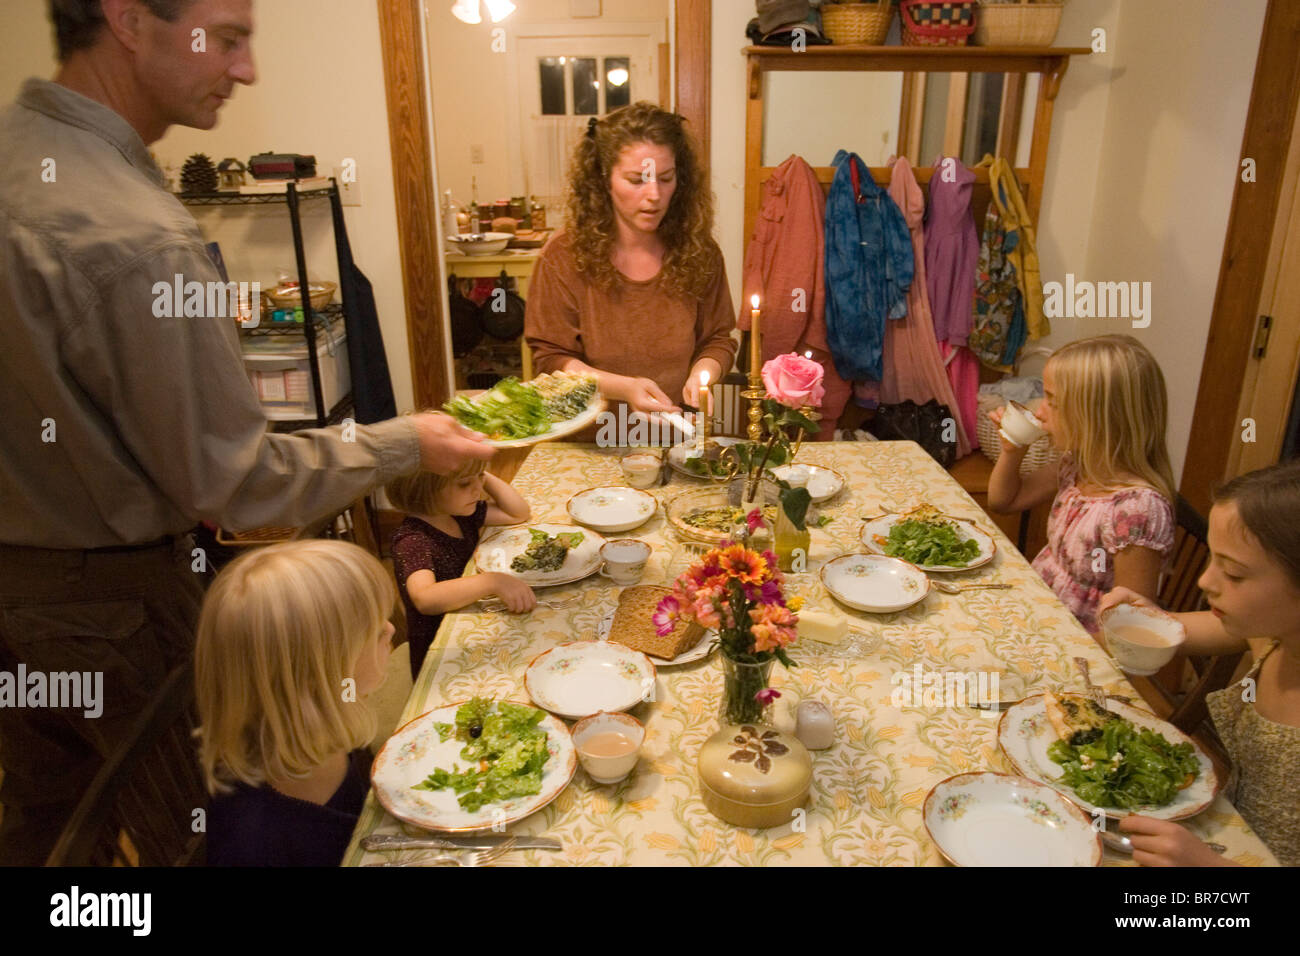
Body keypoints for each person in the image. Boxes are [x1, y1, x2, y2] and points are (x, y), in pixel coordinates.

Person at [0, 0, 490, 864]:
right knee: (195, 834)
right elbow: (237, 479)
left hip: (23, 591)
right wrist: (404, 439)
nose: (247, 68)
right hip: (108, 601)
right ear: (126, 18)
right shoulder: (132, 232)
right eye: (225, 37)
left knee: (51, 825)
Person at [1100, 460, 1300, 866]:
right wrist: (1156, 622)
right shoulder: (1274, 635)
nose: (1204, 582)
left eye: (1234, 574)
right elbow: (1222, 629)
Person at [525, 101, 737, 416]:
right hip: (590, 439)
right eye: (637, 180)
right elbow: (550, 359)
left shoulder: (700, 252)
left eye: (665, 178)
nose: (654, 194)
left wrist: (702, 374)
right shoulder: (563, 257)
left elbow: (718, 339)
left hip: (674, 433)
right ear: (603, 180)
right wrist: (625, 389)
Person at [197, 540, 396, 866]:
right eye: (374, 630)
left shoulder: (325, 721)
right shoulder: (255, 843)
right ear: (317, 677)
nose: (390, 629)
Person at [986, 335, 1176, 634]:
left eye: (1053, 402)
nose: (1039, 411)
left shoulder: (1137, 509)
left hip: (1079, 642)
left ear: (1098, 418)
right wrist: (1012, 452)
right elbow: (1004, 501)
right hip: (1039, 613)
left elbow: (1132, 627)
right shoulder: (1078, 466)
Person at [386, 462, 534, 679]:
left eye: (480, 478)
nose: (478, 489)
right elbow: (425, 598)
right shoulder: (412, 540)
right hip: (440, 653)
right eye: (464, 484)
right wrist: (492, 582)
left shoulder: (457, 512)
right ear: (424, 489)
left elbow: (518, 513)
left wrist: (474, 469)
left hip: (469, 628)